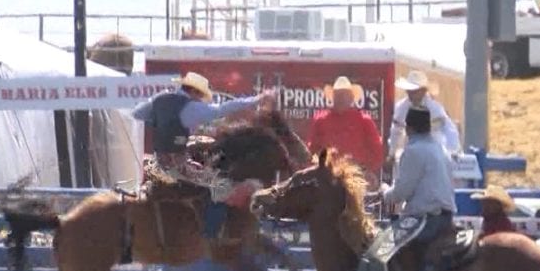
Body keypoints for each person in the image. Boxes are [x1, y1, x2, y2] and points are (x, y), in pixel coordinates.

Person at [131, 71, 274, 193]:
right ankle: (209, 226)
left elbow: (137, 113)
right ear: (193, 91)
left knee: (200, 170)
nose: (200, 100)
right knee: (216, 189)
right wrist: (256, 100)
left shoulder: (159, 100)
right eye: (200, 96)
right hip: (175, 167)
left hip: (156, 164)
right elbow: (222, 109)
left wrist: (160, 118)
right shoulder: (191, 107)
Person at [380, 107, 457, 271]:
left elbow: (401, 193)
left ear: (409, 128)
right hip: (445, 215)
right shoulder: (440, 149)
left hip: (424, 218)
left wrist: (384, 191)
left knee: (385, 254)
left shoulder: (413, 151)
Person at [307, 76, 384, 181]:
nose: (341, 99)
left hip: (356, 177)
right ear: (333, 97)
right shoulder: (321, 120)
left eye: (344, 95)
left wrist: (366, 170)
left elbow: (377, 151)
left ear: (351, 98)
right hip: (327, 178)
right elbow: (312, 150)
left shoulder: (364, 120)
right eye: (338, 95)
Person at [387, 70, 462, 161]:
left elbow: (449, 130)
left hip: (434, 152)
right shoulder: (401, 108)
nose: (410, 94)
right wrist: (392, 154)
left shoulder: (435, 109)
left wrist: (453, 151)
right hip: (411, 151)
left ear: (423, 91)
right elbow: (396, 131)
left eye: (414, 91)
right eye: (409, 91)